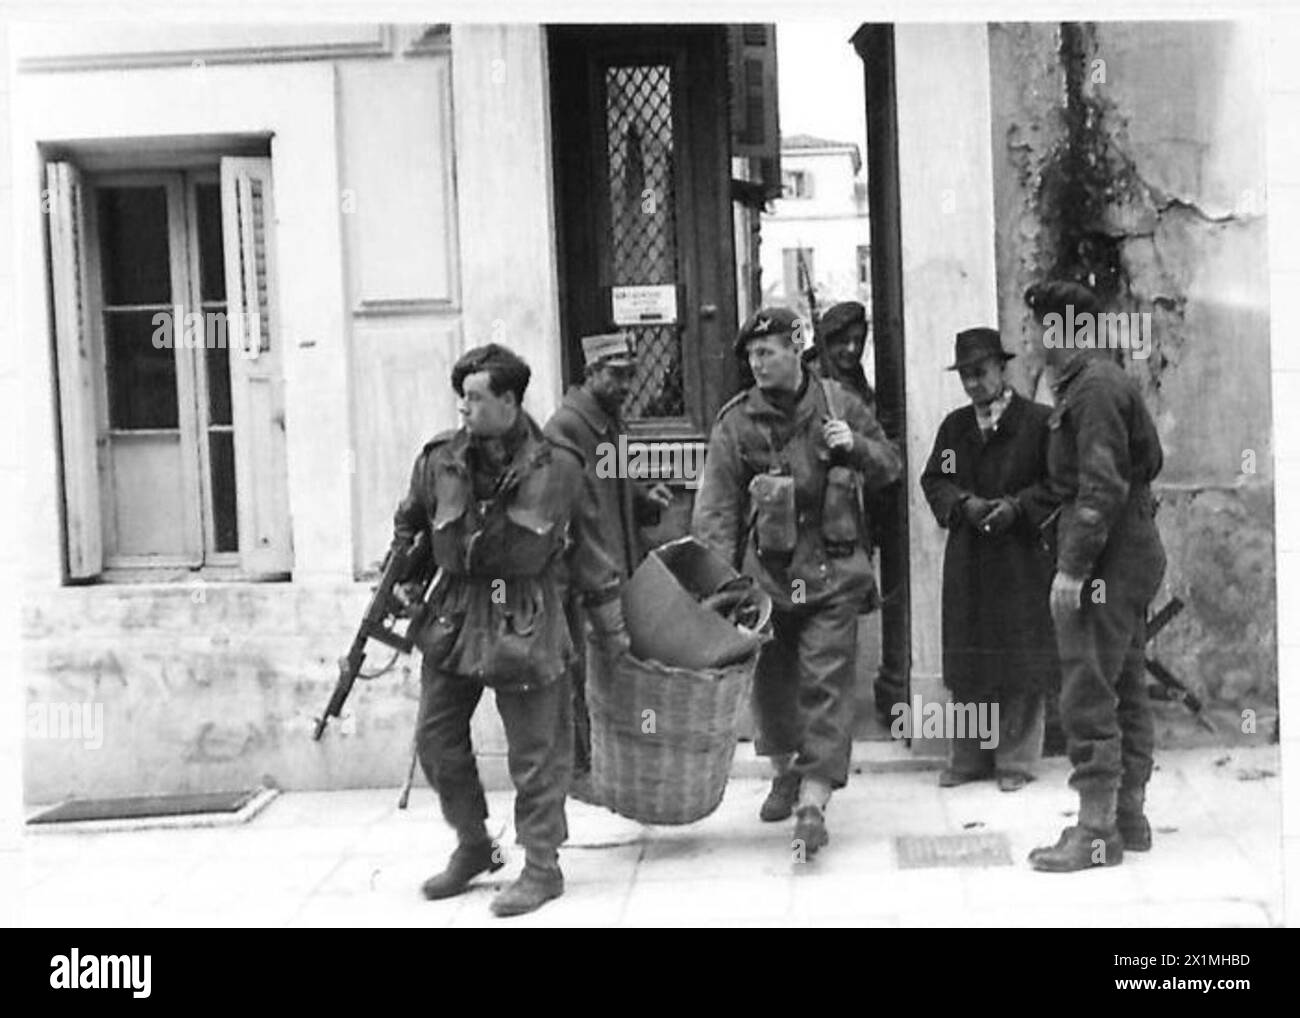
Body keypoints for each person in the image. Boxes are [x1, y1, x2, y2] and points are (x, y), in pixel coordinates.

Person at [393, 343, 630, 915]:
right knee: (436, 738)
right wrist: (401, 577)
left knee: (536, 753)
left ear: (509, 399)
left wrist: (614, 633)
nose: (465, 410)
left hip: (527, 612)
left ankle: (542, 867)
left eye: (476, 398)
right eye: (462, 399)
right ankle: (475, 846)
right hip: (454, 613)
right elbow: (411, 527)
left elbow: (591, 551)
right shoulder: (437, 461)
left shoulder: (561, 467)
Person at [692, 307, 902, 855]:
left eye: (768, 352)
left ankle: (813, 802)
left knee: (826, 687)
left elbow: (891, 466)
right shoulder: (736, 422)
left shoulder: (841, 403)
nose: (758, 364)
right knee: (774, 688)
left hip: (833, 575)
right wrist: (722, 587)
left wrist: (854, 445)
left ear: (796, 348)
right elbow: (716, 510)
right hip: (769, 581)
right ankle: (785, 771)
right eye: (752, 356)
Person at [1022, 281, 1167, 872]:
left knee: (1086, 684)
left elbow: (1101, 485)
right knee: (1125, 681)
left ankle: (1096, 829)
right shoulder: (1088, 384)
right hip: (1128, 551)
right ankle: (1127, 815)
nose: (1028, 336)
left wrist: (1073, 569)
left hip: (1108, 557)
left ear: (1060, 329)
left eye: (1034, 325)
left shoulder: (1095, 389)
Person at [919, 327, 1060, 792]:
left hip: (1020, 557)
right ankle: (968, 760)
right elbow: (934, 480)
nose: (974, 384)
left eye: (981, 372)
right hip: (969, 558)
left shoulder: (1039, 422)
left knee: (1021, 657)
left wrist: (1018, 507)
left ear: (1003, 368)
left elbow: (1059, 484)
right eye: (966, 376)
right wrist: (962, 504)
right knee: (969, 656)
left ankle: (1016, 762)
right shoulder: (955, 426)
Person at [543, 332, 673, 798]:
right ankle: (585, 772)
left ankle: (623, 767)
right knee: (594, 677)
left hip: (620, 570)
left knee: (623, 673)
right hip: (589, 579)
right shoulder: (566, 430)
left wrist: (645, 499)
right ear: (591, 373)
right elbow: (576, 516)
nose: (625, 385)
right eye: (616, 375)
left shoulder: (609, 424)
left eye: (630, 376)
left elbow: (619, 484)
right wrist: (599, 581)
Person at [804, 301, 907, 724]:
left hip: (856, 507)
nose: (849, 350)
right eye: (840, 342)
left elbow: (885, 455)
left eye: (856, 342)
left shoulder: (854, 383)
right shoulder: (809, 380)